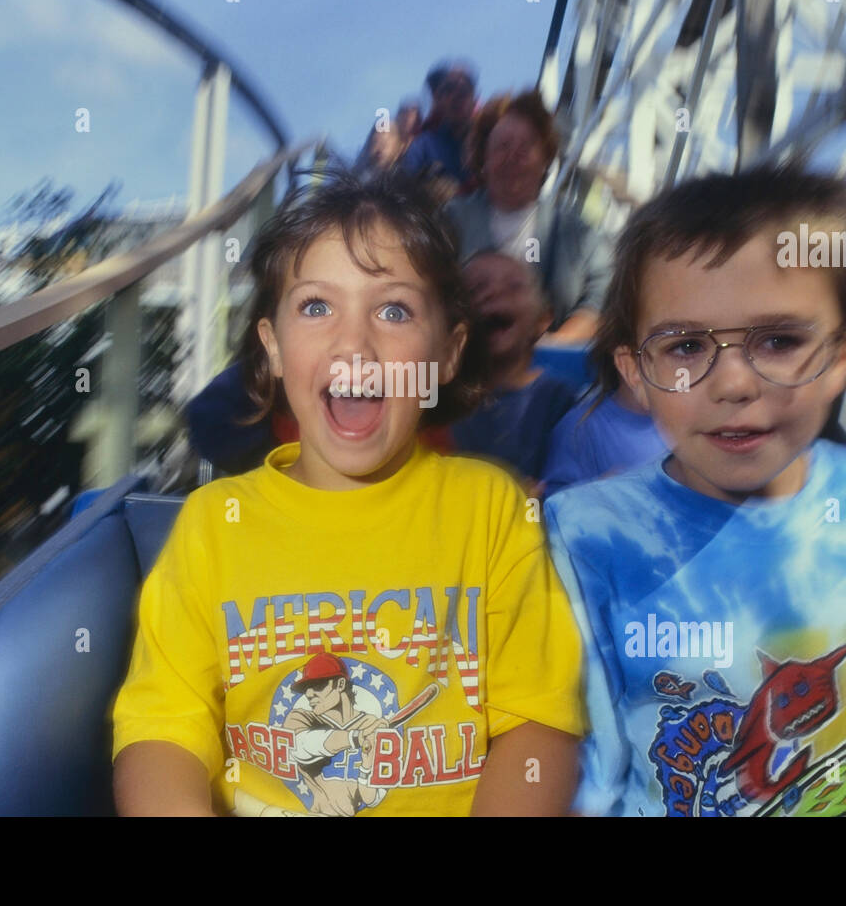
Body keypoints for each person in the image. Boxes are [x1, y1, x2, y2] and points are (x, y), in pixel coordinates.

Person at [545, 163, 846, 817]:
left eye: (779, 340)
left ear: (842, 355)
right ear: (635, 370)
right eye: (687, 345)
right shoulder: (577, 542)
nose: (735, 383)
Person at [113, 168, 584, 816]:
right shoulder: (212, 525)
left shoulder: (492, 511)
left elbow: (538, 726)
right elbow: (162, 730)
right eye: (316, 306)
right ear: (273, 349)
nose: (353, 342)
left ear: (446, 353)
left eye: (393, 309)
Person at [445, 89, 611, 345]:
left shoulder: (577, 232)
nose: (514, 156)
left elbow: (604, 291)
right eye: (503, 146)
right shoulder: (450, 221)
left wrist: (555, 345)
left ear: (545, 160)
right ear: (483, 160)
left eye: (526, 146)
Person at [449, 250, 579, 494]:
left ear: (543, 318)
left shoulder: (560, 399)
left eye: (514, 287)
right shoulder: (443, 397)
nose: (494, 293)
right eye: (476, 289)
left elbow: (568, 483)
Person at [539, 352, 666, 498]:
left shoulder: (690, 420)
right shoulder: (579, 428)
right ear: (629, 364)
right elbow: (552, 504)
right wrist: (598, 494)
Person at [399, 60, 478, 198]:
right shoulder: (423, 145)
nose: (456, 96)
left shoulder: (490, 137)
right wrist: (426, 188)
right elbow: (403, 188)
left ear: (474, 98)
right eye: (448, 90)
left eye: (463, 90)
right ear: (440, 100)